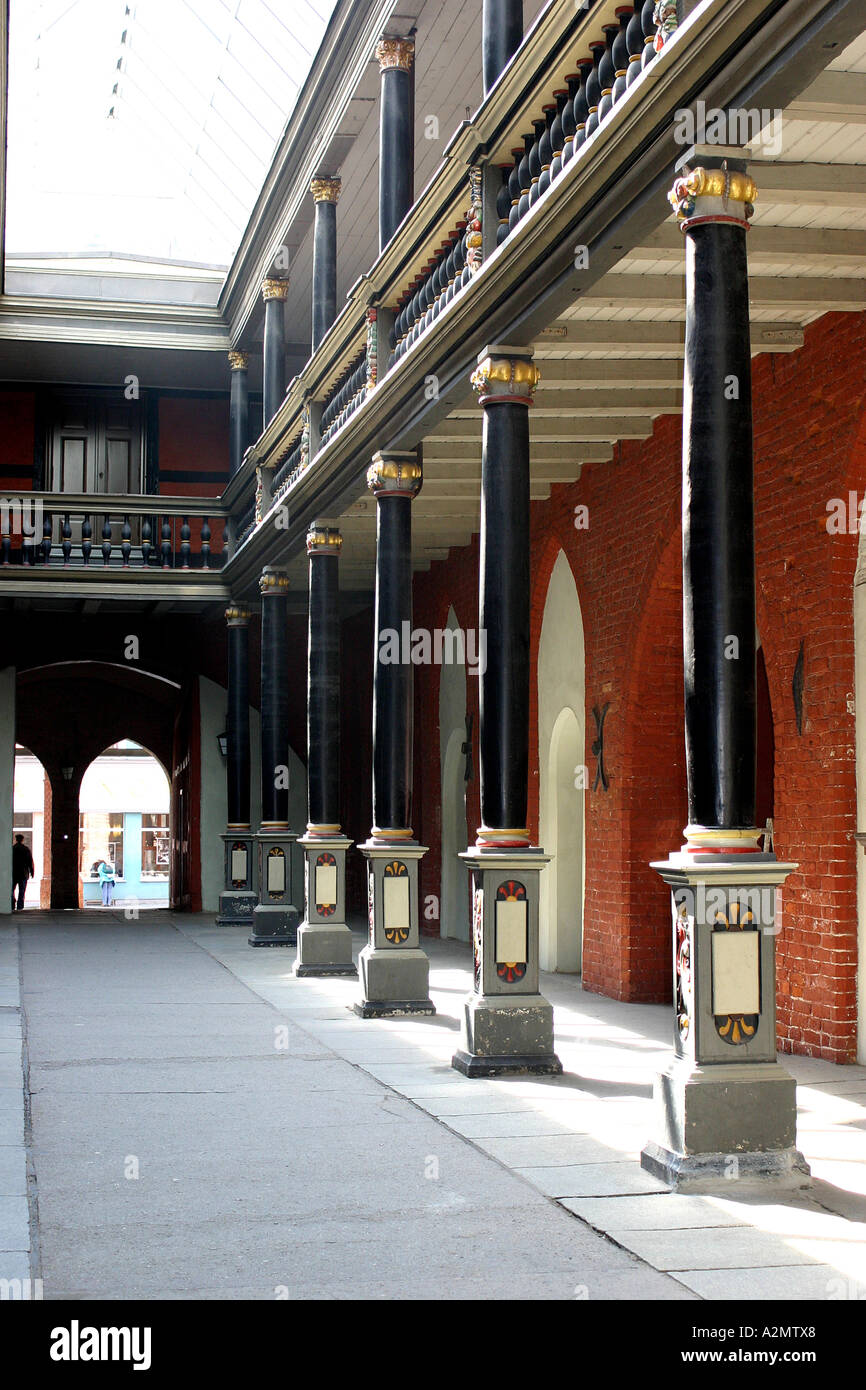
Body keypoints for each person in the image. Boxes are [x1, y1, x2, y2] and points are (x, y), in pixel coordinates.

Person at [11, 834, 34, 912]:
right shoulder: (25, 849)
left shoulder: (12, 849)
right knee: (22, 890)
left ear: (16, 839)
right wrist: (32, 871)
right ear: (22, 840)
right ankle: (20, 906)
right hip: (23, 873)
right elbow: (30, 861)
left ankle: (12, 903)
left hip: (13, 873)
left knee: (11, 890)